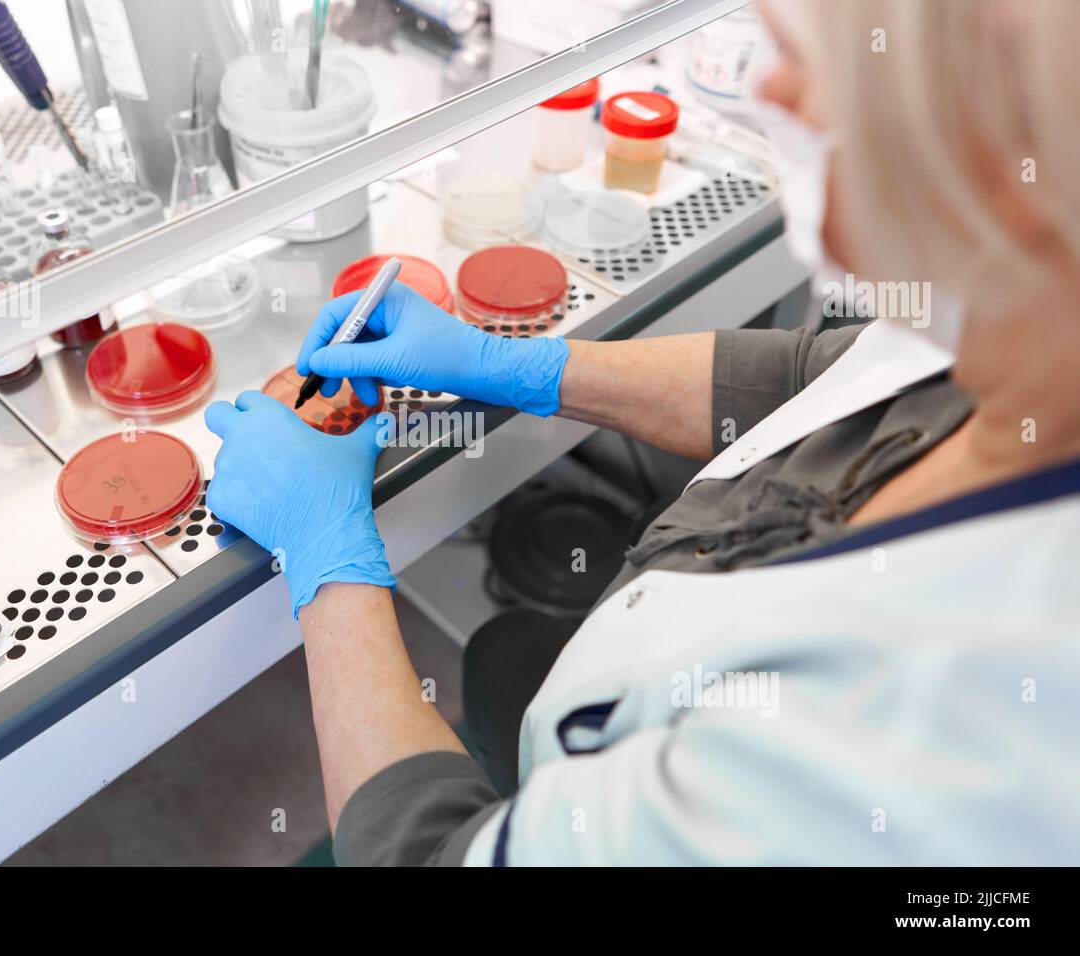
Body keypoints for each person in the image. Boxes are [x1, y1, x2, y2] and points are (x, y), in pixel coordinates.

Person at [203, 0, 1080, 865]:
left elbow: (431, 858)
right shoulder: (1029, 323)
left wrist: (327, 557)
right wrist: (525, 369)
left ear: (1009, 158)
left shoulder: (889, 737)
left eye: (810, 58)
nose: (770, 91)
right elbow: (820, 383)